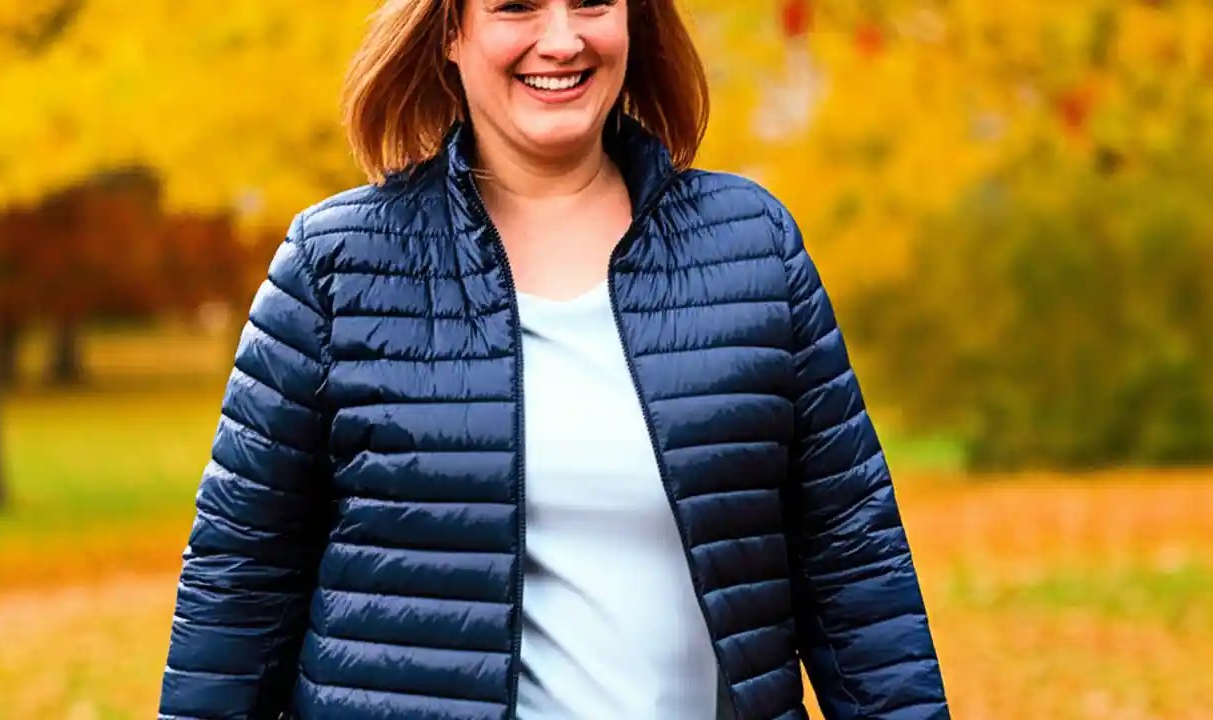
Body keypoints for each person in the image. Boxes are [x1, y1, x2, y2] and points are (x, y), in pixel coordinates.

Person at [157, 0, 950, 718]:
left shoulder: (753, 248)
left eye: (592, 3)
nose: (563, 38)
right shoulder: (336, 267)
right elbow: (240, 594)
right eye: (517, 7)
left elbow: (856, 575)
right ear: (449, 33)